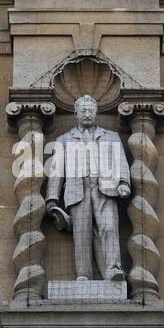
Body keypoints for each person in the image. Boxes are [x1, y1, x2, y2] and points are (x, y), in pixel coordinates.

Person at [45, 94, 131, 282]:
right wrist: (52, 199)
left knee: (109, 227)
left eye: (91, 110)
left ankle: (114, 269)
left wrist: (124, 183)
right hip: (77, 190)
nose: (87, 114)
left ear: (96, 113)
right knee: (82, 234)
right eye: (83, 110)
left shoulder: (111, 137)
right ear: (76, 113)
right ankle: (83, 274)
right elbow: (56, 171)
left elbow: (121, 163)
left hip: (106, 189)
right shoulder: (63, 140)